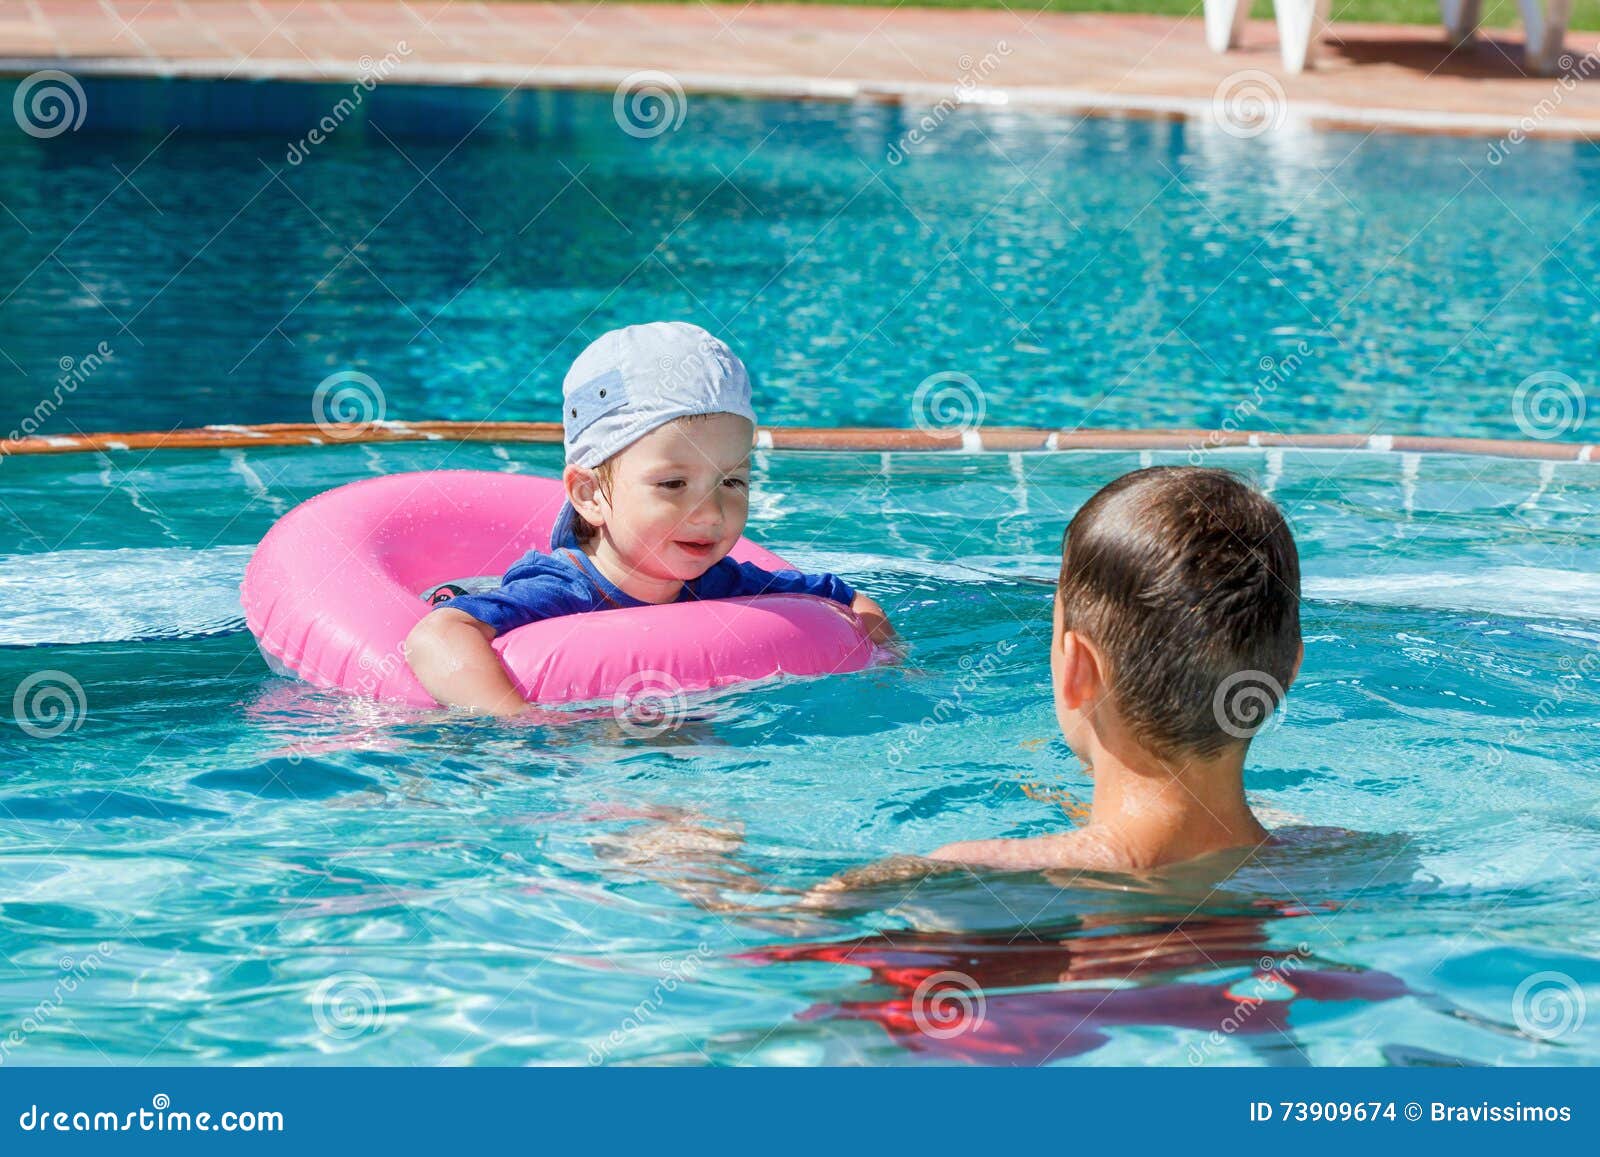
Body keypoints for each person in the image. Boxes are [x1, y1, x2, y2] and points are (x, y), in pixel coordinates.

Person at [405, 321, 893, 714]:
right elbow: (437, 636)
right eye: (673, 485)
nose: (711, 511)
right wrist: (523, 728)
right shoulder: (559, 591)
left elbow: (848, 599)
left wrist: (892, 666)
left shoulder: (724, 582)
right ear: (590, 493)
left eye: (732, 482)